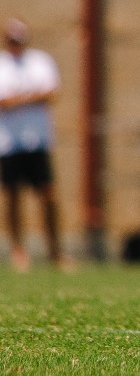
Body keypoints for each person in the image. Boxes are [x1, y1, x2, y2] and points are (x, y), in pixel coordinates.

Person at [0, 19, 65, 270]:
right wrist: (31, 97)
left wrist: (19, 99)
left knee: (48, 194)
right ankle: (18, 249)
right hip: (9, 142)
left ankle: (55, 251)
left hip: (37, 140)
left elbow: (51, 92)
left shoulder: (41, 61)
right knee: (13, 196)